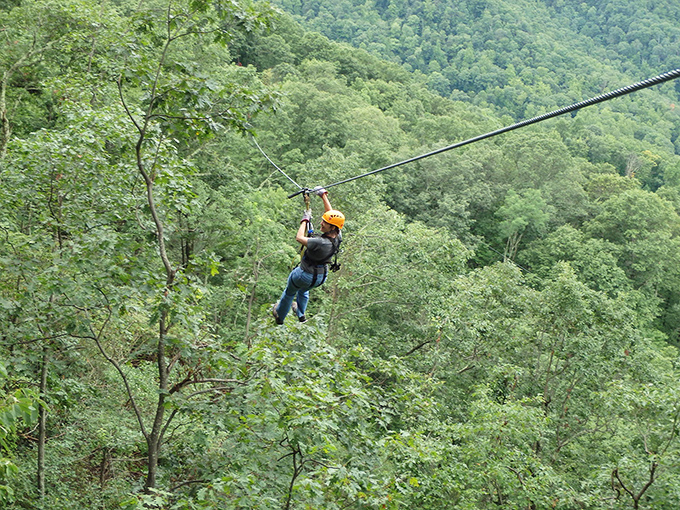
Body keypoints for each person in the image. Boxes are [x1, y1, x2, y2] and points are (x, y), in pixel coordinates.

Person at [272, 186, 344, 324]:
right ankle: (301, 314)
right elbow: (331, 214)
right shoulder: (337, 235)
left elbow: (299, 238)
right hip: (320, 277)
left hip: (303, 275)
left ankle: (280, 316)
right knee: (304, 290)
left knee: (289, 293)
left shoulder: (320, 242)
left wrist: (305, 220)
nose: (321, 223)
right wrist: (323, 196)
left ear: (332, 227)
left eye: (325, 223)